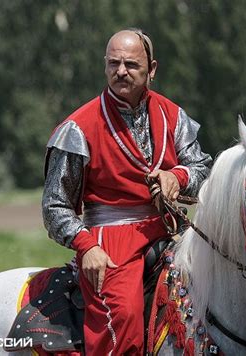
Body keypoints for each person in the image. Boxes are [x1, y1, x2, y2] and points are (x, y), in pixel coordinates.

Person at [42, 28, 212, 355]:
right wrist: (86, 246)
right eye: (113, 63)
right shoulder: (78, 128)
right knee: (123, 315)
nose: (121, 71)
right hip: (110, 240)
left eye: (131, 65)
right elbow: (54, 207)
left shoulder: (174, 116)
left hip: (168, 230)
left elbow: (204, 173)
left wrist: (177, 177)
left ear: (152, 69)